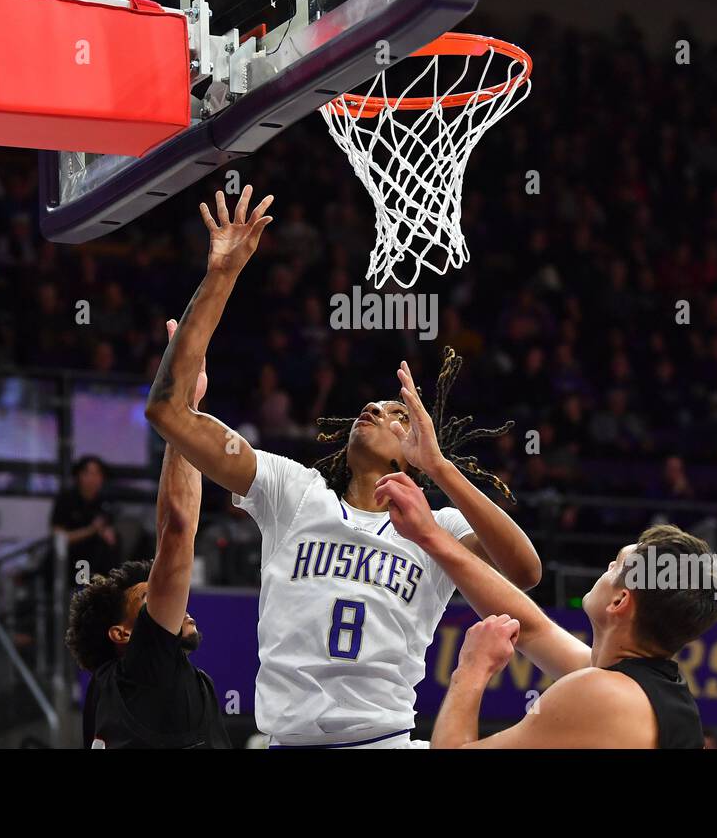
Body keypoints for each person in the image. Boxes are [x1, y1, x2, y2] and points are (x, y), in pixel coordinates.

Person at [144, 187, 541, 749]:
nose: (375, 409)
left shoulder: (437, 528)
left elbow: (524, 571)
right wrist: (223, 275)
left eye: (397, 413)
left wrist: (442, 469)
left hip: (383, 740)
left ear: (418, 453)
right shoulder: (293, 492)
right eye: (374, 405)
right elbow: (169, 412)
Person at [373, 481, 717, 748]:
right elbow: (532, 629)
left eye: (617, 566)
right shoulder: (640, 687)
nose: (609, 565)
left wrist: (472, 670)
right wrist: (432, 532)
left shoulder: (601, 694)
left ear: (619, 603)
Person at [66, 321, 229, 749]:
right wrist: (183, 413)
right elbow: (176, 527)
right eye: (149, 601)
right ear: (123, 635)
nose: (176, 605)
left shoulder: (115, 692)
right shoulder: (145, 671)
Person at [50, 455, 120, 578]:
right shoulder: (66, 500)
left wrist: (107, 533)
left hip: (98, 562)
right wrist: (91, 530)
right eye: (88, 473)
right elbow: (59, 537)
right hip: (70, 559)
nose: (93, 479)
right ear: (79, 476)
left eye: (97, 474)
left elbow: (109, 529)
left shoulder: (105, 502)